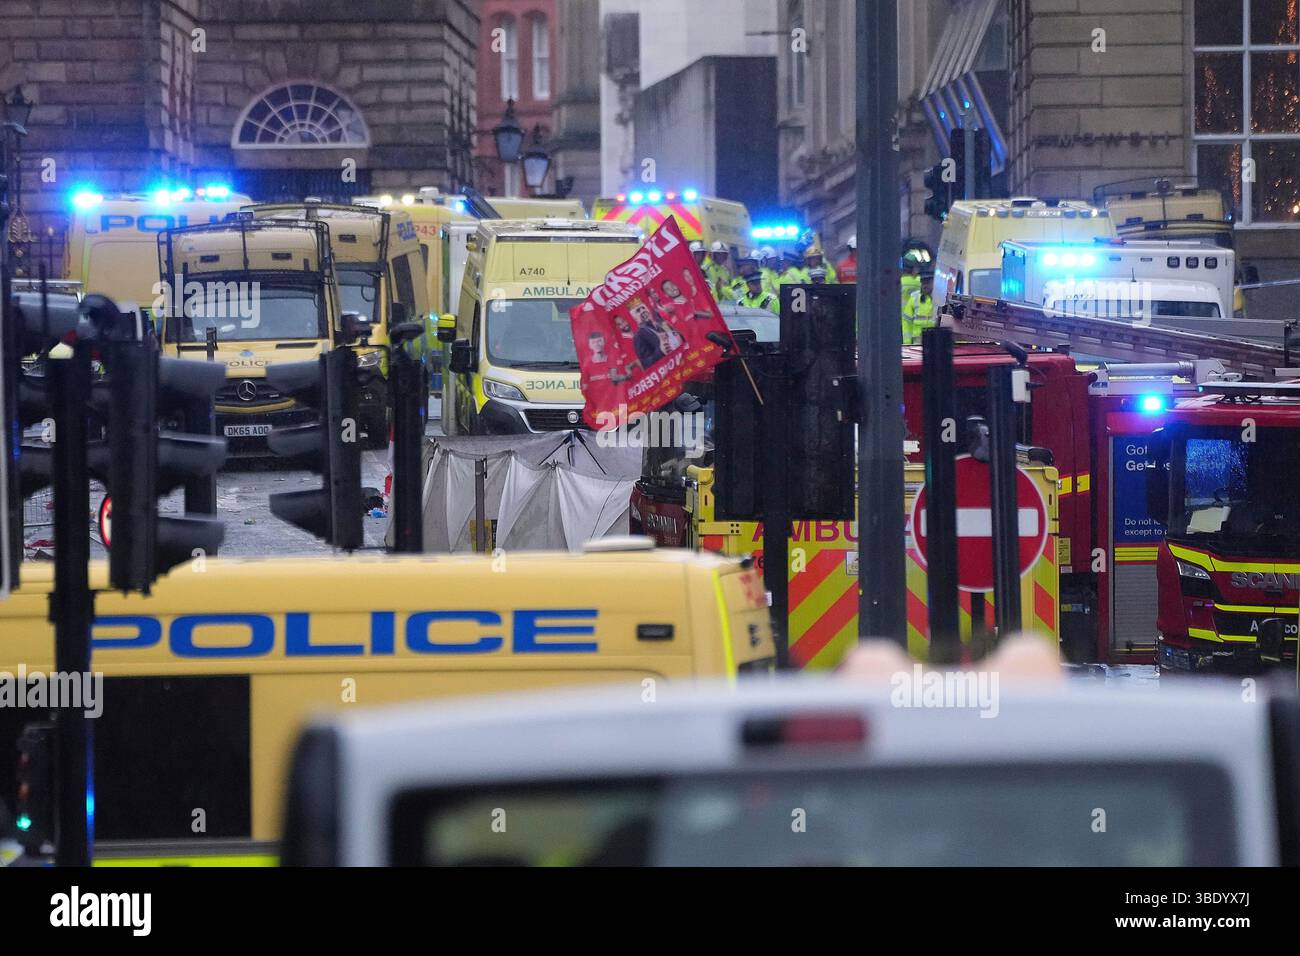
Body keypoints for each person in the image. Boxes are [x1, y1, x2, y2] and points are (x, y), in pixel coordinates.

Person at [902, 271, 936, 345]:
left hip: (936, 340)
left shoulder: (941, 298)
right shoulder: (914, 297)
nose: (924, 285)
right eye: (922, 282)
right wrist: (907, 342)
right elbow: (907, 321)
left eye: (927, 282)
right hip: (918, 341)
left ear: (933, 282)